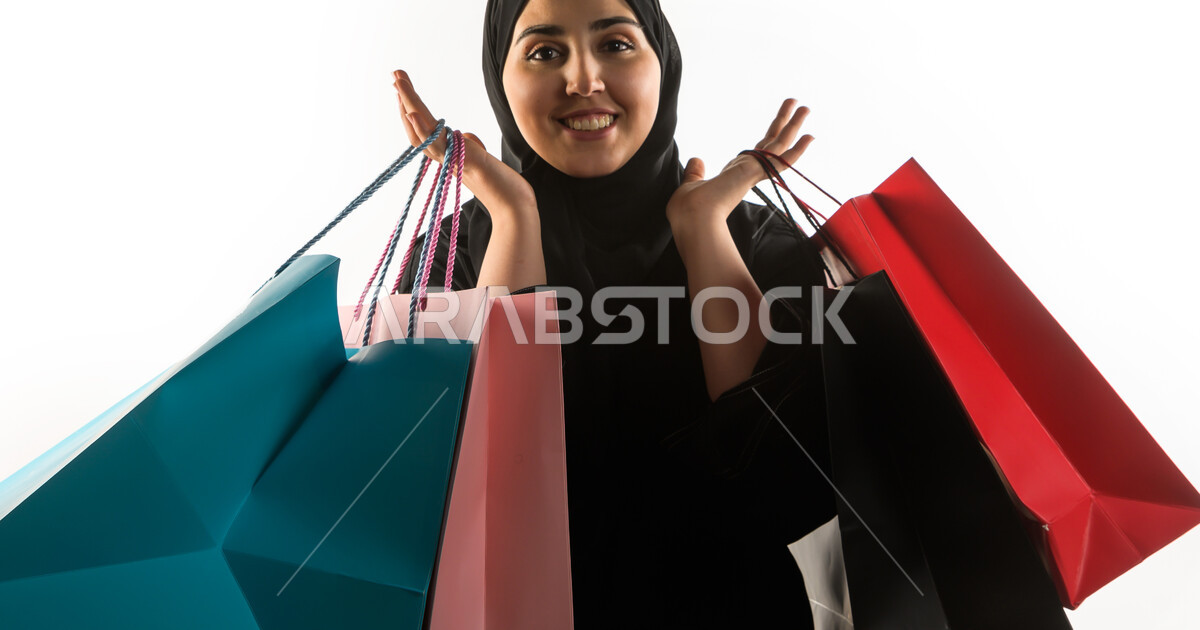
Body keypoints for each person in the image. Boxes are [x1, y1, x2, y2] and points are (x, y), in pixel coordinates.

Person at [393, 0, 836, 626]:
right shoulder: (448, 259)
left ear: (664, 64)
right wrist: (515, 219)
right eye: (545, 52)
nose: (583, 81)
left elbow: (778, 486)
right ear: (500, 76)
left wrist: (704, 231)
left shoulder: (759, 243)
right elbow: (472, 501)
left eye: (617, 44)